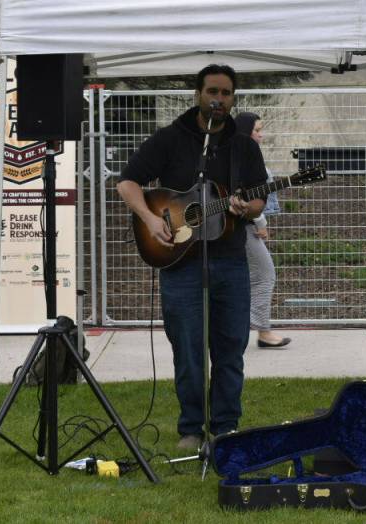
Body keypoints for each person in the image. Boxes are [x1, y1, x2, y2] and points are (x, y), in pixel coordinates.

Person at [117, 64, 267, 454]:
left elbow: (258, 200)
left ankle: (226, 427)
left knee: (230, 348)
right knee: (187, 349)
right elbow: (127, 182)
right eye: (212, 92)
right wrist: (150, 219)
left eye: (226, 94)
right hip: (180, 262)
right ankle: (191, 427)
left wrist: (245, 208)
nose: (219, 100)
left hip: (231, 261)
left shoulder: (243, 146)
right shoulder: (171, 139)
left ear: (234, 98)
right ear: (198, 94)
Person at [234, 112, 291, 349]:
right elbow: (248, 198)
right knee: (265, 273)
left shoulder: (243, 156)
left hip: (245, 226)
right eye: (257, 130)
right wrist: (261, 225)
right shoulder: (242, 159)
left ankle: (250, 329)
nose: (261, 134)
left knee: (242, 278)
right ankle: (262, 331)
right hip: (242, 228)